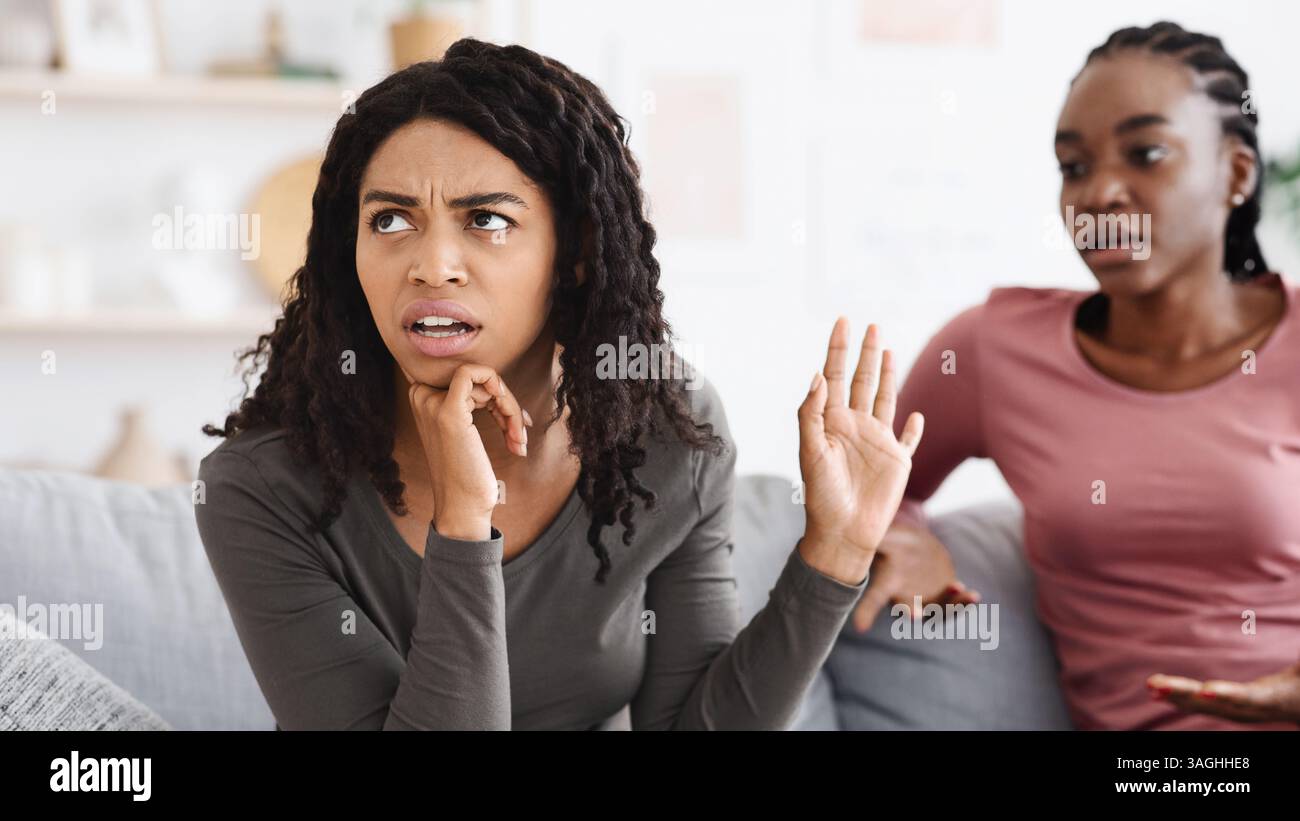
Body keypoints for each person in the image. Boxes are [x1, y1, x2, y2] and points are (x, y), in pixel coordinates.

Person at [195, 38, 923, 730]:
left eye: (485, 220)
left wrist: (837, 552)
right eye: (390, 219)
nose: (431, 265)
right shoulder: (260, 489)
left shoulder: (668, 432)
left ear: (574, 253)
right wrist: (466, 523)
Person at [852, 21, 1300, 730]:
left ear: (1237, 175)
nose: (1100, 194)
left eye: (1145, 153)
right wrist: (904, 540)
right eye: (1074, 166)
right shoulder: (994, 350)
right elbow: (867, 486)